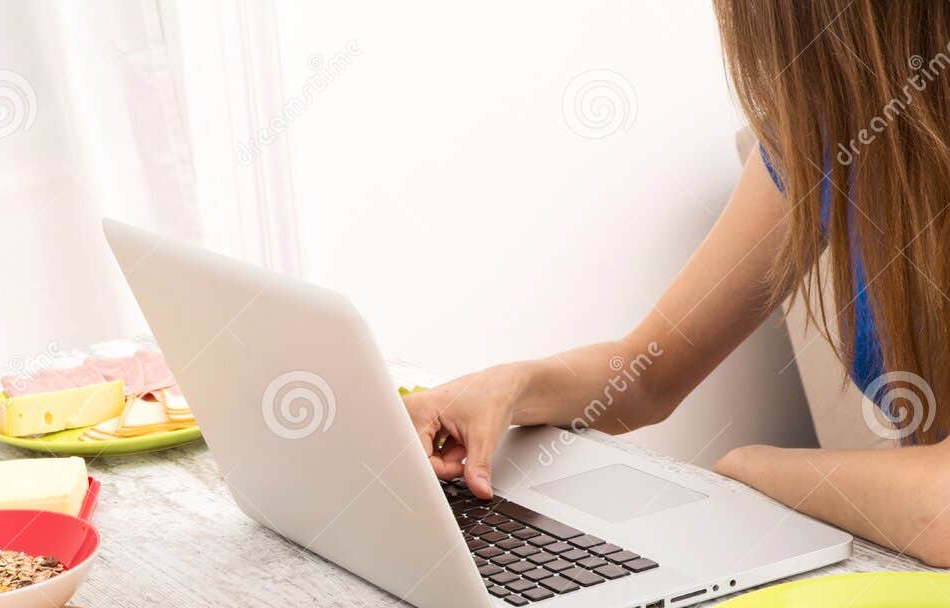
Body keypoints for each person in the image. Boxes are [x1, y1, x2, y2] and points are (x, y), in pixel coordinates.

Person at [404, 0, 950, 567]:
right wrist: (509, 386)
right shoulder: (828, 137)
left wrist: (747, 468)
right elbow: (649, 372)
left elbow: (941, 509)